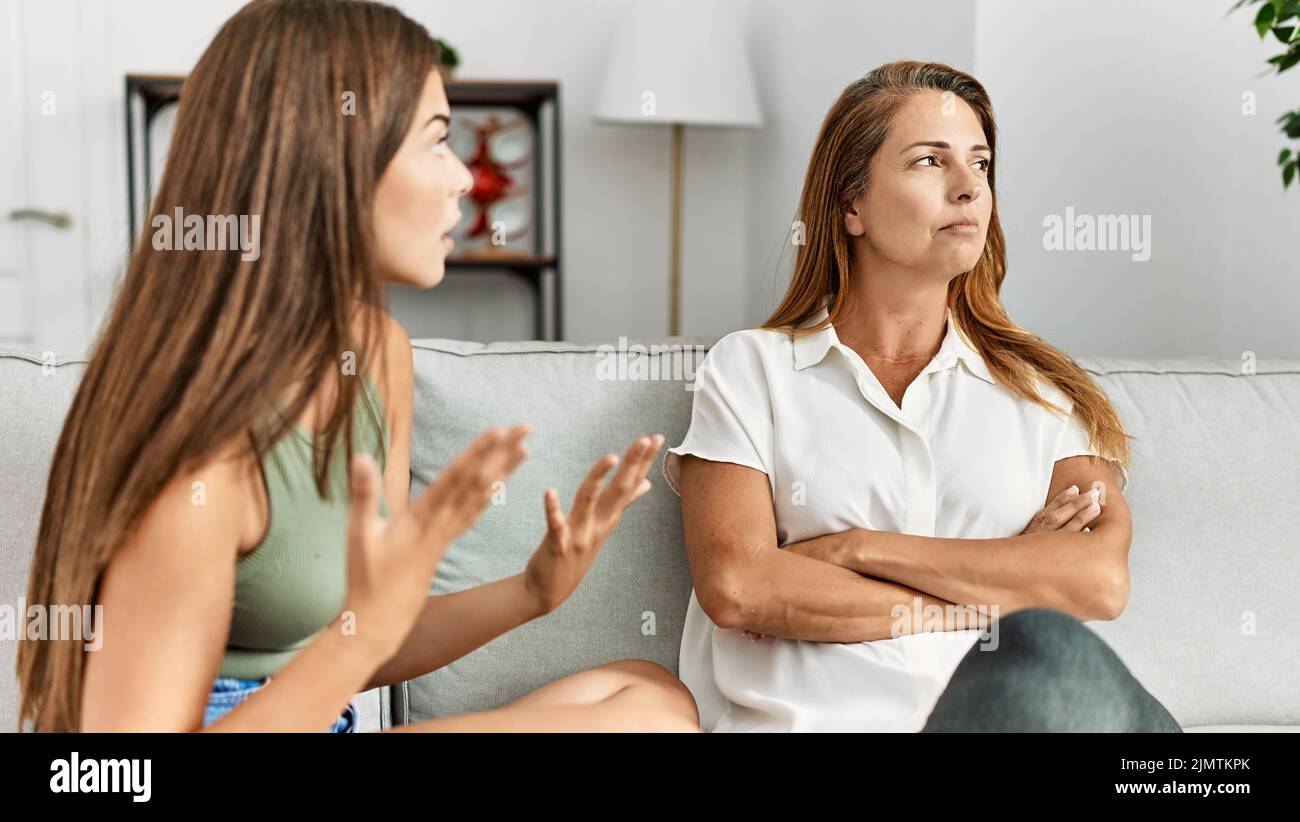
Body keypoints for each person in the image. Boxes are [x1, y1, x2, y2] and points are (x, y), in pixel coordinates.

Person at [18, 0, 698, 733]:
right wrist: (364, 636)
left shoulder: (376, 354)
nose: (465, 180)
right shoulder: (198, 450)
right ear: (331, 161)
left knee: (649, 696)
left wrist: (532, 591)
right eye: (437, 142)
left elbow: (353, 639)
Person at [663, 60, 1180, 733]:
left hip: (1003, 719)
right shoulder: (752, 370)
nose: (969, 188)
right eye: (930, 161)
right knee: (1048, 642)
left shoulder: (1042, 393)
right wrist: (1003, 587)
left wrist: (852, 550)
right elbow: (738, 588)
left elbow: (1097, 583)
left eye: (981, 163)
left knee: (1061, 658)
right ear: (851, 205)